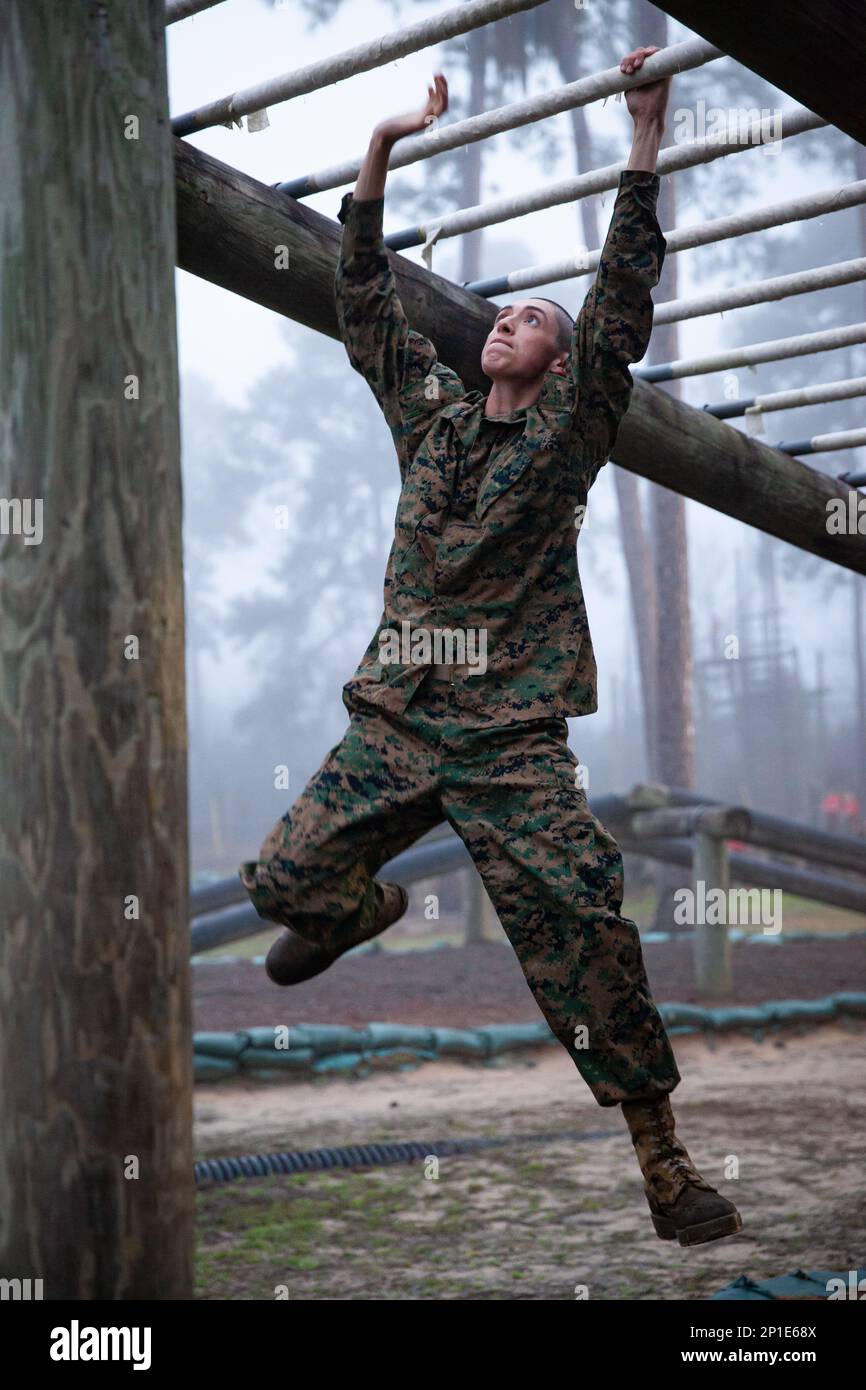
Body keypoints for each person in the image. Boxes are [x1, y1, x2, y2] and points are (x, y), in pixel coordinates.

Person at [241, 46, 742, 1248]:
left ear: (558, 364)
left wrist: (641, 137)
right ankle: (358, 910)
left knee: (583, 925)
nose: (511, 319)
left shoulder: (569, 431)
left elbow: (618, 304)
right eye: (504, 311)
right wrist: (379, 151)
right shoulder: (430, 418)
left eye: (533, 317)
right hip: (398, 722)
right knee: (280, 887)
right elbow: (361, 298)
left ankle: (666, 1170)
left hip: (508, 738)